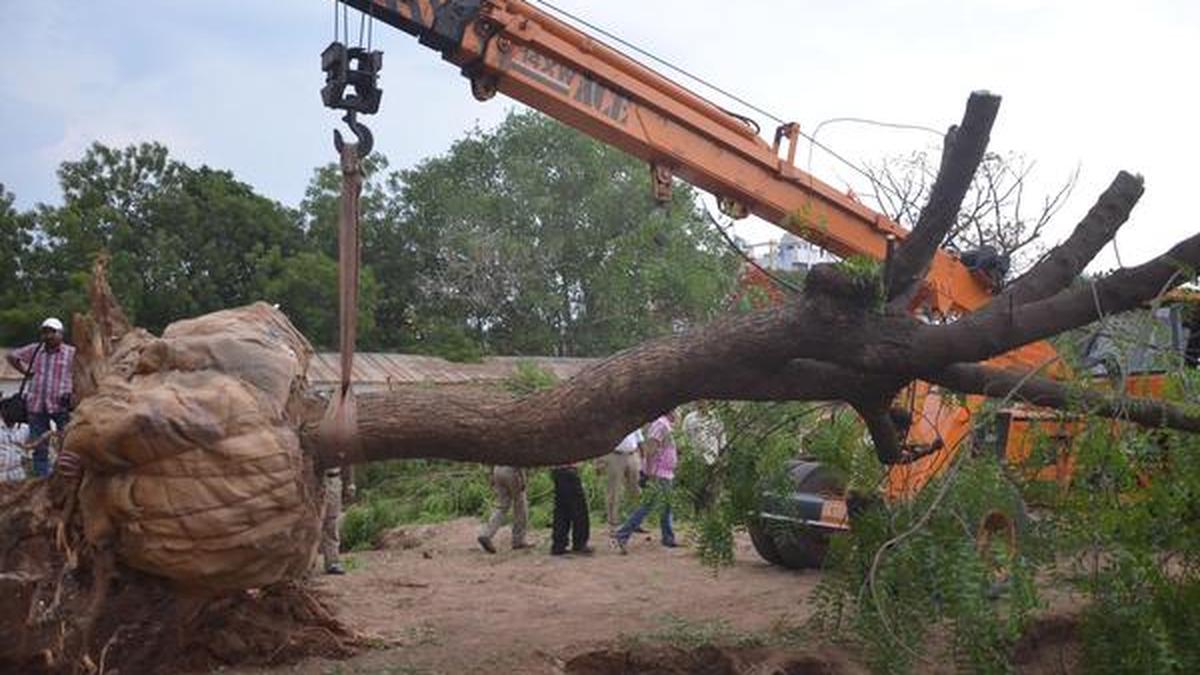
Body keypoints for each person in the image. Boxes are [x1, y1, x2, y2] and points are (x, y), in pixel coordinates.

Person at [6, 317, 75, 477]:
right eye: (45, 332)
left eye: (52, 332)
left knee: (67, 445)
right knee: (39, 448)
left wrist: (75, 392)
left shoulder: (71, 353)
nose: (48, 336)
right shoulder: (35, 350)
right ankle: (42, 479)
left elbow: (82, 370)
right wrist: (26, 372)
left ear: (61, 334)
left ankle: (65, 478)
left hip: (61, 405)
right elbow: (11, 356)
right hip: (36, 405)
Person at [614, 411, 679, 553]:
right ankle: (622, 534)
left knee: (666, 504)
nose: (678, 413)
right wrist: (649, 473)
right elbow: (651, 450)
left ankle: (668, 537)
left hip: (665, 472)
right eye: (675, 409)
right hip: (658, 472)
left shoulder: (666, 425)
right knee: (649, 504)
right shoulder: (660, 424)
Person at [477, 465, 530, 553]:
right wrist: (522, 477)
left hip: (497, 470)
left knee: (502, 506)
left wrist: (491, 474)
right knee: (520, 505)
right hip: (511, 470)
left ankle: (486, 534)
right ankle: (518, 540)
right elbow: (518, 459)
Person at [602, 428, 643, 528]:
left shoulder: (633, 421)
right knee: (614, 490)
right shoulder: (611, 422)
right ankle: (613, 522)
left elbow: (640, 439)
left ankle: (636, 521)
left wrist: (643, 457)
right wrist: (601, 460)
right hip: (615, 455)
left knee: (636, 489)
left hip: (632, 454)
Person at [550, 462, 592, 555]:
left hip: (558, 471)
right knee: (579, 510)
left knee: (562, 511)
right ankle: (579, 543)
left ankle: (558, 545)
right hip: (568, 471)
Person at [320, 467, 346, 574]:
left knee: (332, 521)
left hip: (334, 478)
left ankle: (332, 562)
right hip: (315, 477)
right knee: (311, 522)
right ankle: (304, 563)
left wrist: (350, 483)